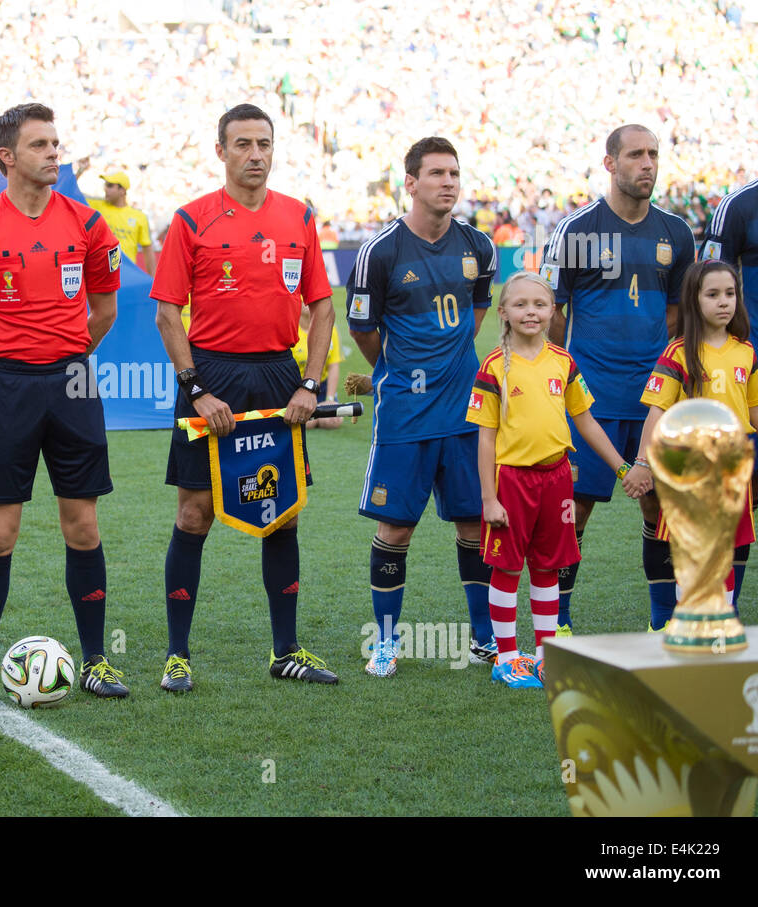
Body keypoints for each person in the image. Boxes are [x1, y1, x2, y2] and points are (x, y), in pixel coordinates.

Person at [0, 103, 129, 707]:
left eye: (56, 142)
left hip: (72, 385)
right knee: (0, 534)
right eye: (41, 144)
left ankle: (96, 661)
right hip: (7, 389)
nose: (54, 153)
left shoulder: (90, 225)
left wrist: (67, 357)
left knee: (84, 526)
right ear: (7, 157)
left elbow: (105, 310)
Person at [151, 102, 339, 693]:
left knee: (281, 513)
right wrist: (197, 390)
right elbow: (167, 315)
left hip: (279, 376)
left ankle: (285, 651)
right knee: (194, 514)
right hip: (212, 376)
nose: (255, 154)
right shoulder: (190, 220)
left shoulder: (299, 217)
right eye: (243, 144)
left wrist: (310, 383)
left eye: (264, 143)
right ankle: (177, 655)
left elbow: (323, 307)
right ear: (222, 151)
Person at [346, 136, 499, 679]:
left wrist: (449, 358)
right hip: (405, 415)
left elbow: (478, 310)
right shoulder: (379, 252)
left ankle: (485, 639)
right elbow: (363, 329)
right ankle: (385, 643)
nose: (449, 182)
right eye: (436, 173)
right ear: (410, 183)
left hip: (465, 412)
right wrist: (399, 368)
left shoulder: (478, 245)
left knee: (474, 523)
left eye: (454, 172)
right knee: (395, 530)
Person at [545, 124, 695, 633]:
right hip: (590, 401)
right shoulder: (576, 231)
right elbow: (551, 312)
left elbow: (678, 314)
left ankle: (662, 622)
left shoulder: (676, 233)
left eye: (653, 154)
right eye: (636, 155)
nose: (647, 164)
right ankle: (558, 623)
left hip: (655, 402)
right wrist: (577, 370)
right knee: (576, 510)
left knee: (659, 507)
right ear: (610, 163)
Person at [468, 272, 637, 689]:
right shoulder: (493, 366)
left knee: (548, 567)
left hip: (557, 479)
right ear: (504, 312)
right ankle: (506, 658)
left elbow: (586, 421)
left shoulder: (563, 362)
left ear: (552, 311)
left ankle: (545, 656)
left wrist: (622, 467)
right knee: (506, 570)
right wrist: (489, 498)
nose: (531, 312)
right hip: (512, 482)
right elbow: (486, 439)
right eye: (521, 304)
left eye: (540, 304)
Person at [624, 259, 758, 627]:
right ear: (694, 300)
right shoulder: (678, 353)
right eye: (713, 294)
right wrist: (643, 463)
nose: (724, 302)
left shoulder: (745, 352)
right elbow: (656, 412)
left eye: (730, 294)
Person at [699, 101, 758, 601]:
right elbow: (706, 285)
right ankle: (728, 603)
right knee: (744, 489)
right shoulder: (741, 205)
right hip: (753, 370)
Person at [74, 158, 156, 275]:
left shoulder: (139, 217)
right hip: (99, 272)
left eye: (110, 185)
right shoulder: (96, 205)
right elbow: (72, 193)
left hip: (127, 275)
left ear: (122, 190)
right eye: (106, 185)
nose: (105, 188)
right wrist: (80, 171)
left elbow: (147, 250)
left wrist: (152, 279)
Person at [292, 303, 345, 429]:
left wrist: (330, 399)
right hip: (295, 388)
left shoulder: (329, 328)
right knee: (306, 423)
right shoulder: (290, 328)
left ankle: (320, 408)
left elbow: (333, 365)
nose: (308, 303)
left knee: (332, 422)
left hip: (321, 386)